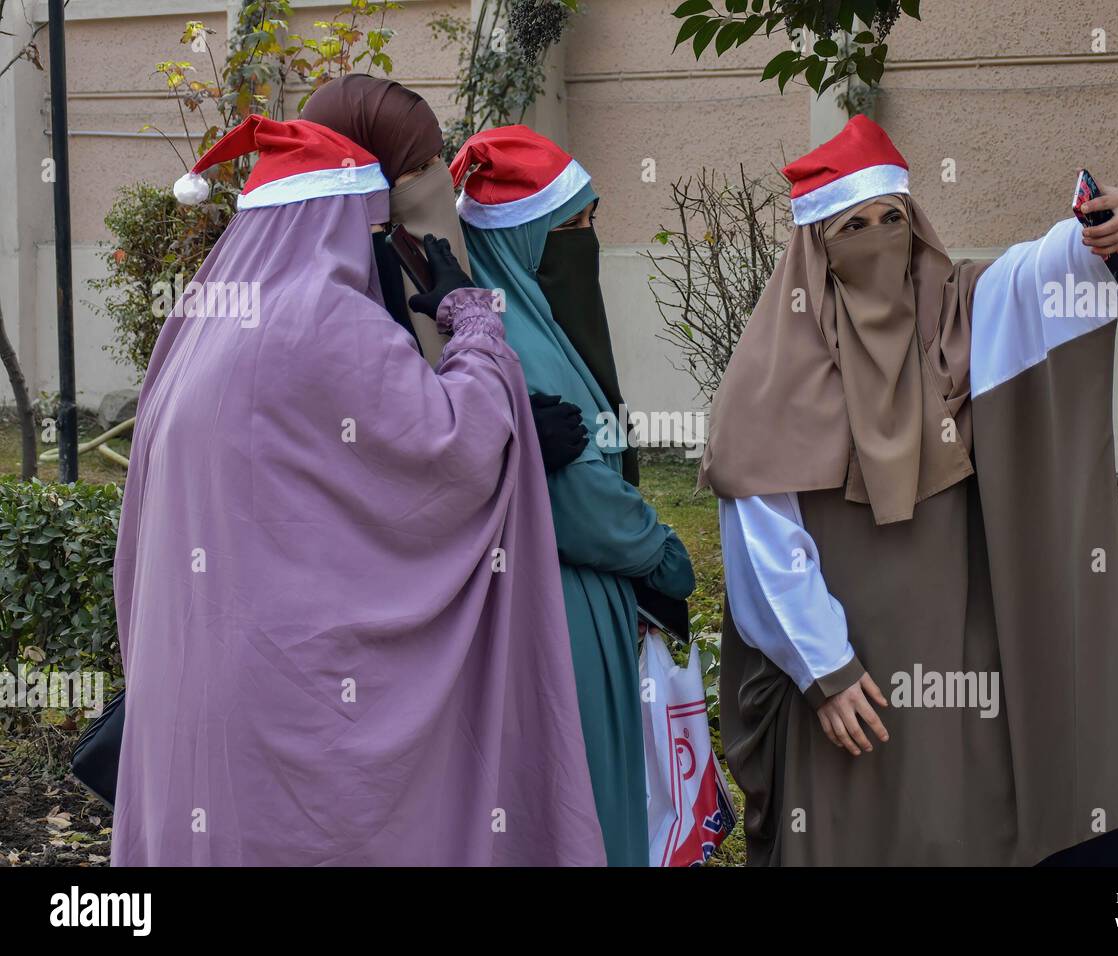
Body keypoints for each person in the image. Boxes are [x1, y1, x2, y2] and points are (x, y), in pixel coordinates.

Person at [111, 114, 604, 866]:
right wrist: (469, 314)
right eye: (369, 224)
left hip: (203, 683)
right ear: (336, 217)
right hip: (300, 697)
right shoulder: (327, 318)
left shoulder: (197, 327)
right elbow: (454, 448)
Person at [699, 115, 1118, 866]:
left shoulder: (956, 315)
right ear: (816, 248)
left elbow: (1037, 276)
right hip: (850, 672)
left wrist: (1109, 232)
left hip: (956, 640)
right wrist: (825, 668)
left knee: (960, 814)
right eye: (856, 225)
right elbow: (761, 539)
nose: (880, 238)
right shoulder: (770, 376)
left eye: (894, 219)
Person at [450, 125, 696, 866]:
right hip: (557, 610)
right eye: (572, 228)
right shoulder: (508, 340)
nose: (587, 242)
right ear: (522, 244)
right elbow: (577, 497)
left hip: (578, 603)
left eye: (591, 223)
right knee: (583, 798)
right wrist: (661, 552)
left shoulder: (528, 323)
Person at [301, 74, 586, 474]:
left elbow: (432, 396)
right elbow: (384, 449)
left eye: (438, 159)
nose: (438, 180)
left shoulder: (400, 257)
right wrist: (508, 440)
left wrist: (504, 415)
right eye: (417, 168)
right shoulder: (322, 299)